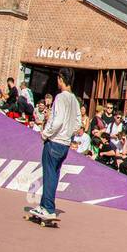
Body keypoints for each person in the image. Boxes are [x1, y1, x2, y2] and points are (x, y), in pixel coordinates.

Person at [30, 68, 82, 221]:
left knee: (49, 174)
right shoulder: (75, 100)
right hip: (65, 144)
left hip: (54, 141)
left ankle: (48, 208)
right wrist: (68, 133)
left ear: (60, 79)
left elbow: (57, 121)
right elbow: (78, 123)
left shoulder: (60, 98)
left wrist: (45, 133)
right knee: (54, 175)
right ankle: (44, 205)